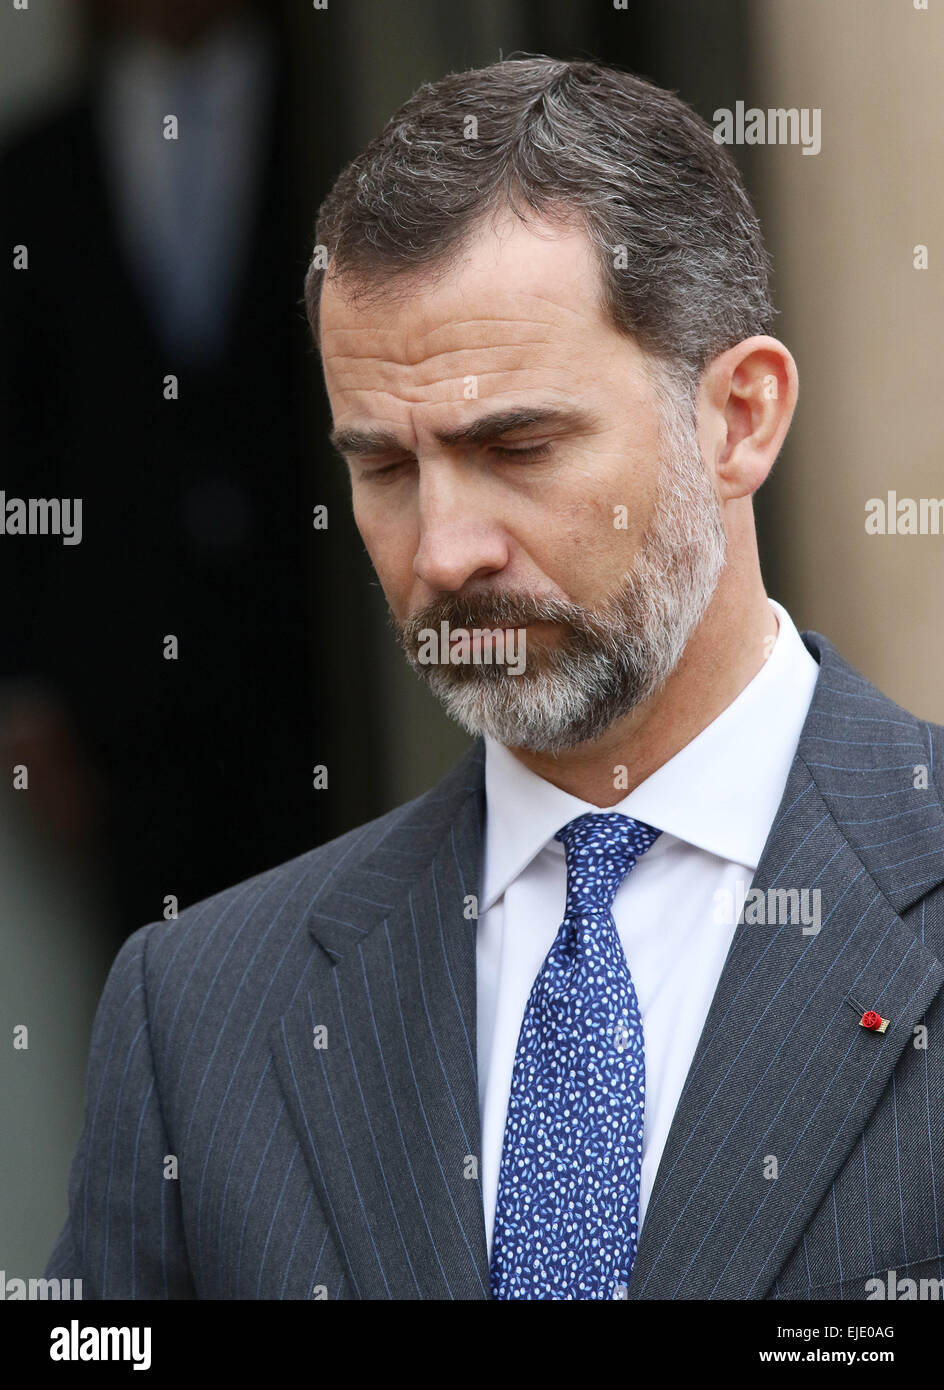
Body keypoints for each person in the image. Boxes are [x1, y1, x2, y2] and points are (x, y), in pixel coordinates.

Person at [45, 56, 944, 1301]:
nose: (443, 549)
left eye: (515, 446)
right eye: (385, 470)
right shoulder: (197, 1014)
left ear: (738, 416)